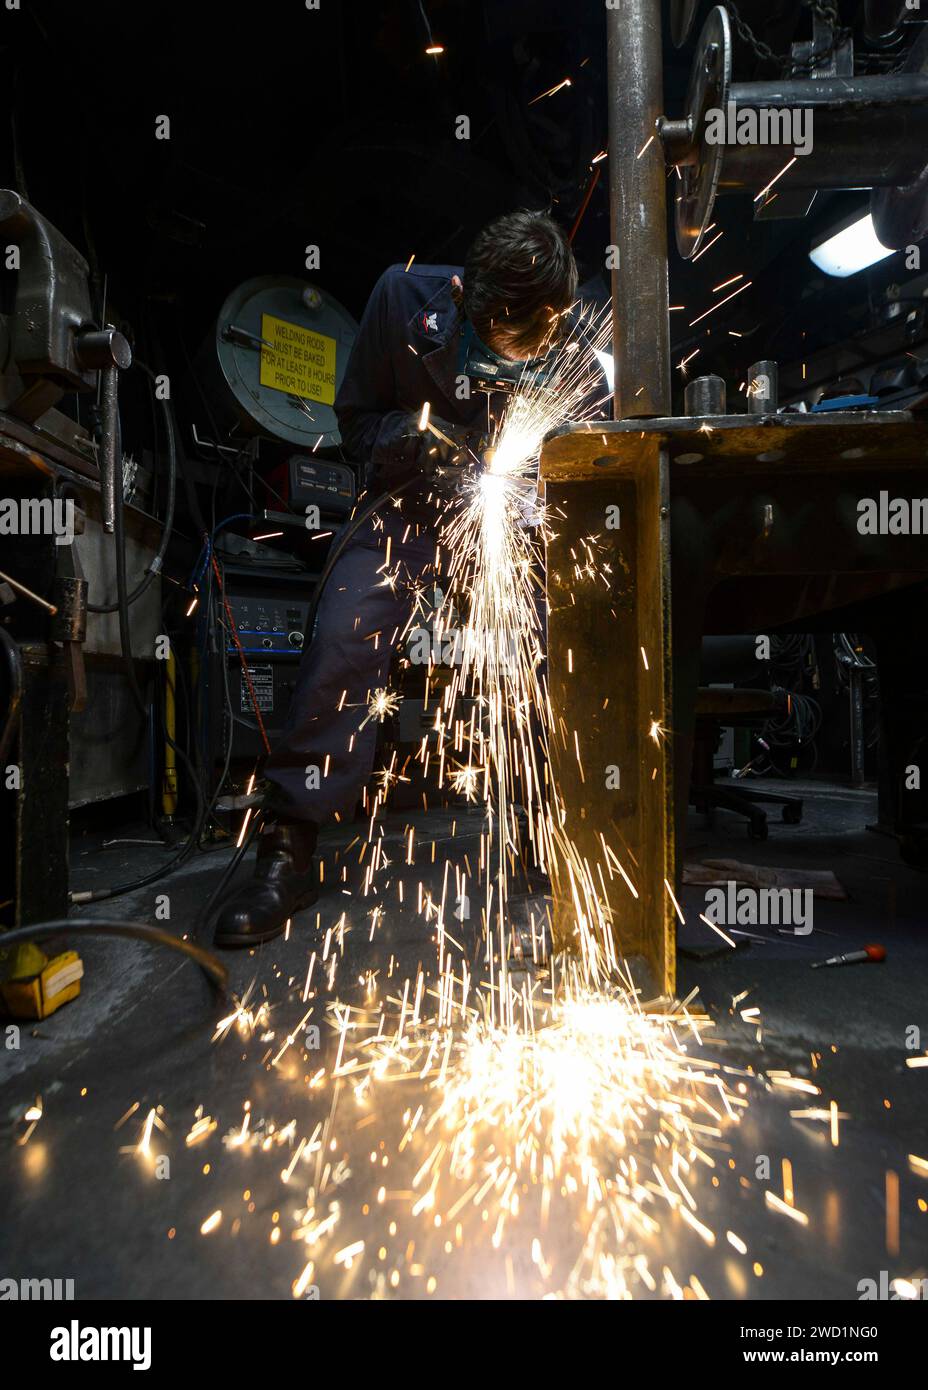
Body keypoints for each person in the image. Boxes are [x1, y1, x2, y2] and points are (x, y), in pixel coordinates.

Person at [213, 209, 578, 946]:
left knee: (546, 641)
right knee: (344, 633)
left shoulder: (556, 328)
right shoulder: (398, 301)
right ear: (472, 303)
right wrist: (404, 439)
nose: (537, 348)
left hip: (503, 516)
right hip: (403, 507)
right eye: (517, 338)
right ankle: (290, 845)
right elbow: (353, 425)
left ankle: (547, 830)